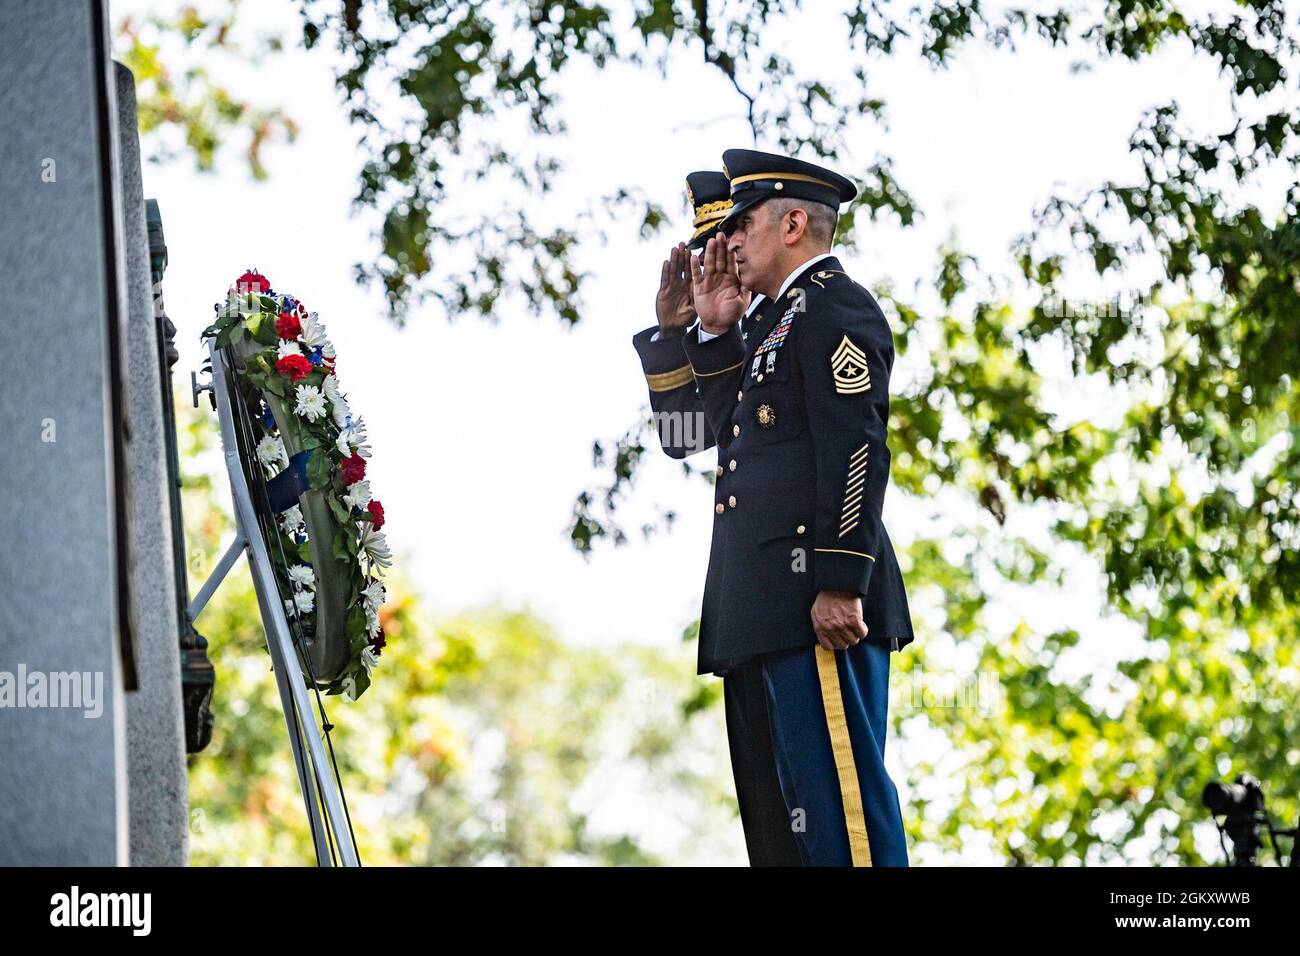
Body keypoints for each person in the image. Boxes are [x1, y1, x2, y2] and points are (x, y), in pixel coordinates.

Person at [680, 147, 915, 866]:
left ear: (789, 225)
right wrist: (710, 333)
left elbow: (856, 446)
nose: (728, 242)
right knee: (788, 835)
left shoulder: (834, 304)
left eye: (742, 222)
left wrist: (839, 579)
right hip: (766, 609)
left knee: (843, 821)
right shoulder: (774, 323)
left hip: (814, 600)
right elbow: (702, 439)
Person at [632, 170, 770, 459]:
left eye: (728, 240)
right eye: (708, 248)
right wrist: (671, 334)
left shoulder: (789, 313)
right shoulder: (724, 332)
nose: (719, 257)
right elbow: (680, 436)